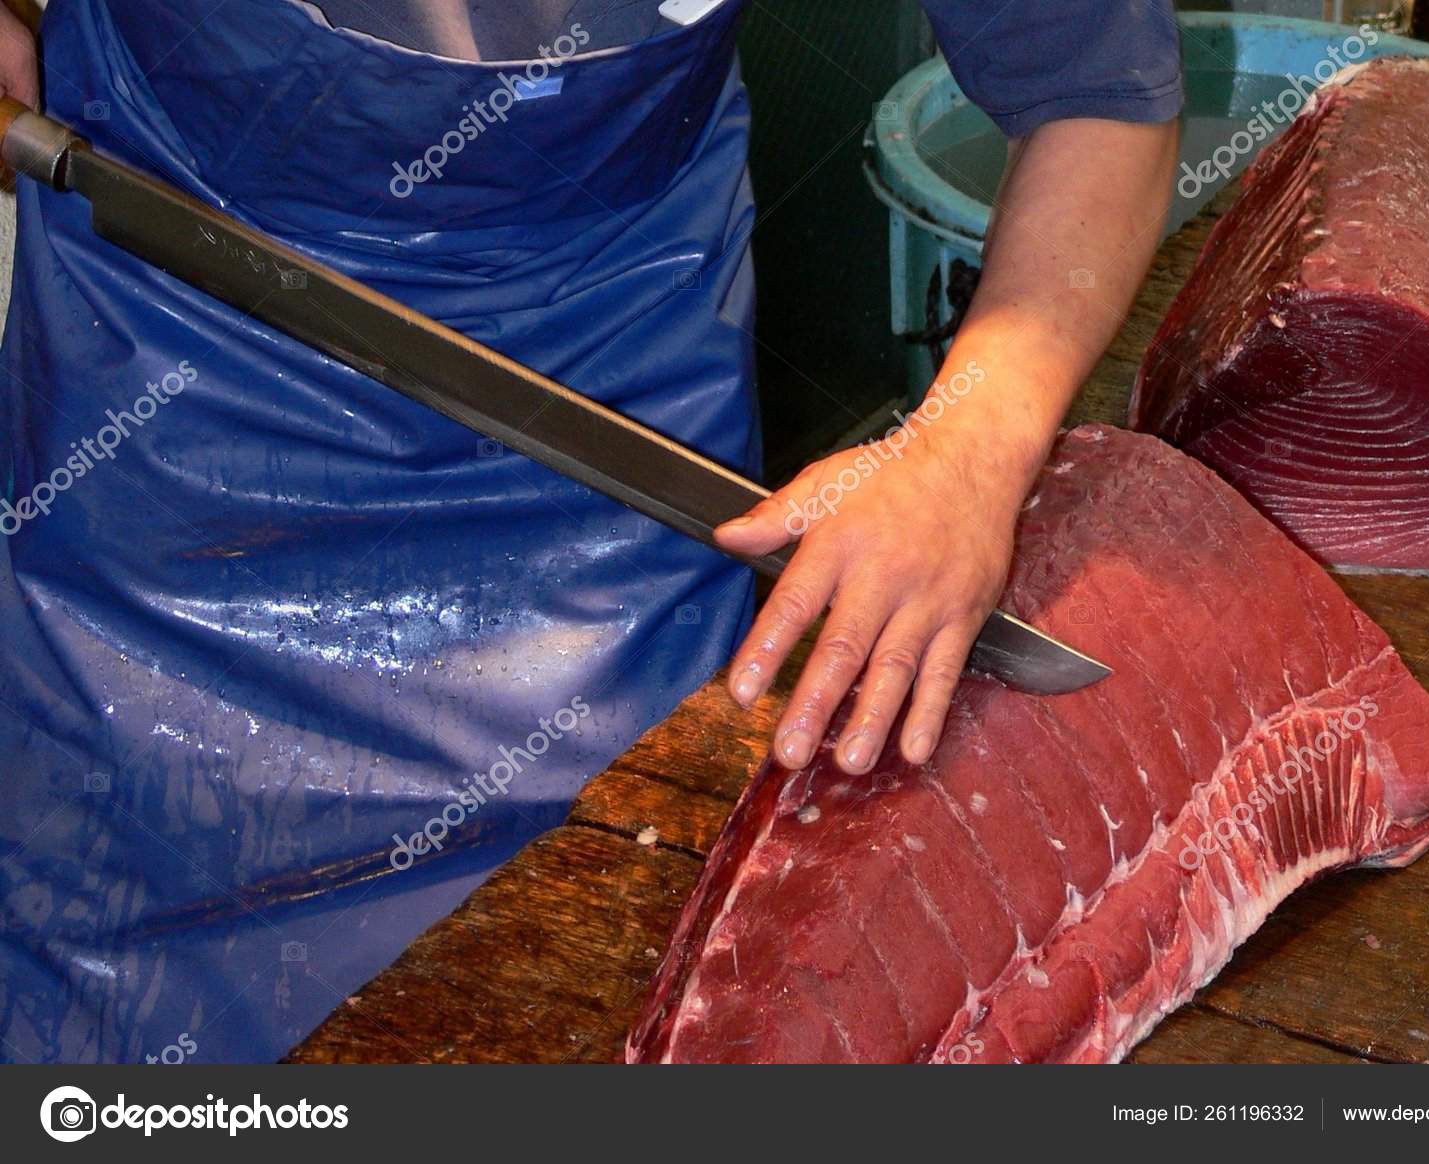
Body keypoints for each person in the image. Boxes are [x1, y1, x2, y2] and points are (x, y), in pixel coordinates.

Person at [0, 0, 1178, 1062]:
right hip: (177, 370)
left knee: (603, 956)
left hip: (608, 361)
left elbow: (1093, 90)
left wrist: (969, 448)